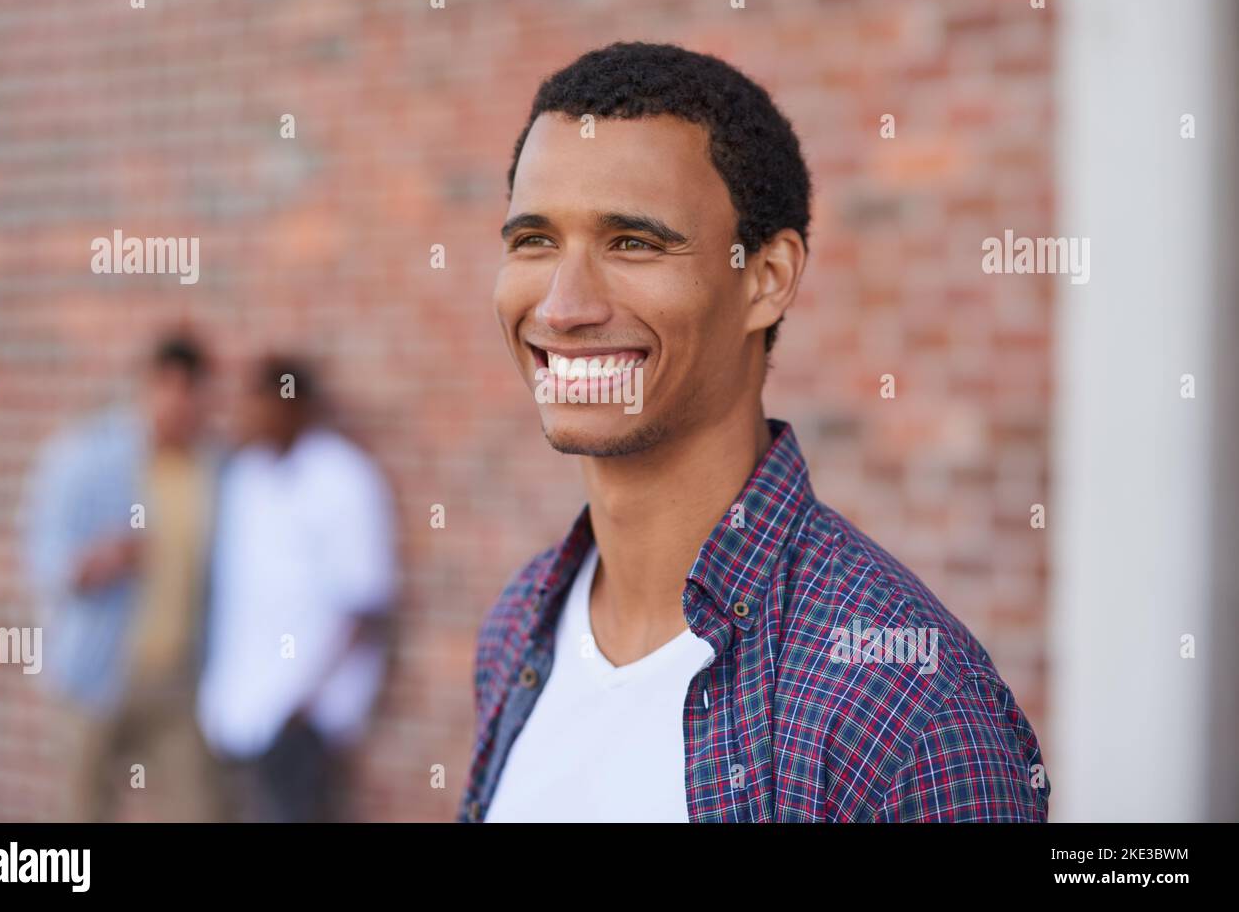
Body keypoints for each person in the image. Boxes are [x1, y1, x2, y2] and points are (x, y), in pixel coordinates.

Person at [461, 42, 1050, 822]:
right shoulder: (519, 625)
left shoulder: (905, 705)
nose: (564, 306)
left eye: (632, 241)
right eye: (534, 240)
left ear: (766, 279)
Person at [22, 333, 221, 821]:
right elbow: (43, 560)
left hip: (177, 681)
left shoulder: (213, 468)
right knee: (84, 813)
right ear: (145, 387)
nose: (177, 404)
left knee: (199, 808)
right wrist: (98, 561)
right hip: (98, 673)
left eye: (189, 391)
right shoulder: (86, 457)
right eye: (165, 387)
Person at [197, 357, 397, 822]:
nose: (246, 415)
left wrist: (303, 707)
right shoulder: (244, 476)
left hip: (302, 719)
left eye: (260, 403)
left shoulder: (342, 479)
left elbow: (363, 606)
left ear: (296, 407)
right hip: (237, 710)